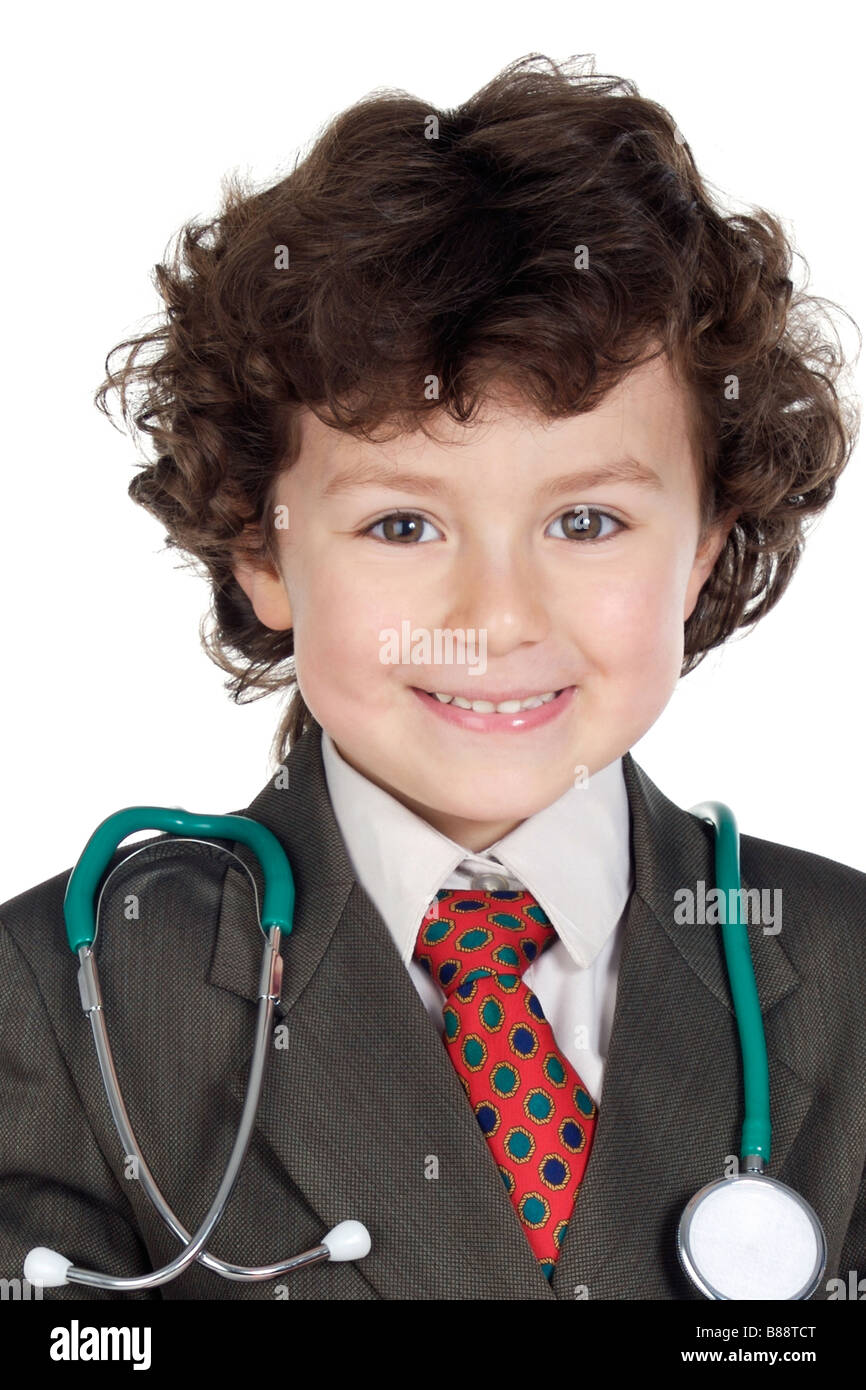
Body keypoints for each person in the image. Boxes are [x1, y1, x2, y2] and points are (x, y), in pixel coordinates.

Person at [1, 52, 863, 1302]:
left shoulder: (840, 971)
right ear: (261, 552)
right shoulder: (63, 1000)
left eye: (586, 524)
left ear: (702, 553)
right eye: (403, 526)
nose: (495, 617)